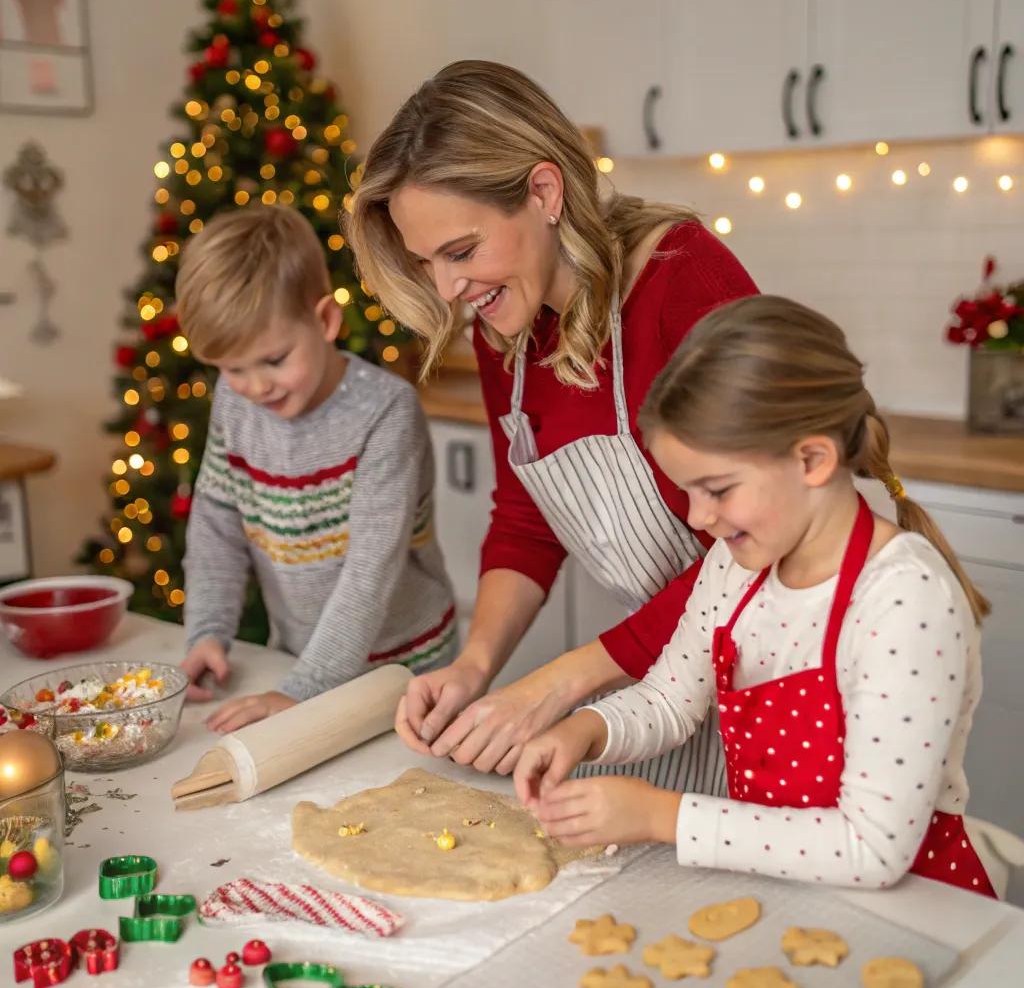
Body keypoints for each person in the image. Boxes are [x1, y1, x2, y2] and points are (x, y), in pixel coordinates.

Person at [349, 59, 756, 790]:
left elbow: (754, 546)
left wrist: (564, 680)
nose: (448, 290)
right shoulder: (505, 326)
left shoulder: (683, 278)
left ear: (543, 191)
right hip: (660, 682)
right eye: (426, 263)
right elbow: (526, 521)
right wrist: (474, 665)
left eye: (461, 252)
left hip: (778, 675)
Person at [513, 295, 995, 896]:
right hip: (780, 888)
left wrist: (662, 816)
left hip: (915, 906)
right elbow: (668, 700)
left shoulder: (904, 599)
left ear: (813, 459)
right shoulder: (734, 567)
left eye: (717, 488)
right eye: (687, 490)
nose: (698, 516)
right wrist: (583, 729)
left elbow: (872, 847)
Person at [175, 205, 456, 732]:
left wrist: (304, 690)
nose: (256, 387)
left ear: (326, 321)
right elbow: (216, 526)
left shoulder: (386, 413)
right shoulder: (234, 407)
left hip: (406, 671)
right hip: (301, 663)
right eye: (234, 369)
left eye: (275, 360)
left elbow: (370, 571)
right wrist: (208, 632)